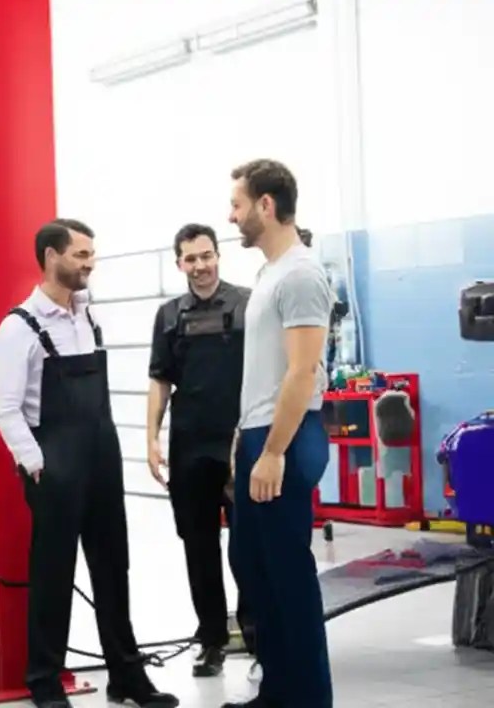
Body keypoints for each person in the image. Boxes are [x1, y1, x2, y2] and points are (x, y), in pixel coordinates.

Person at [0, 218, 179, 708]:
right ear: (51, 257)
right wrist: (35, 463)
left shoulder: (86, 318)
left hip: (101, 457)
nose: (89, 263)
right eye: (80, 254)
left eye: (91, 254)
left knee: (114, 568)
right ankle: (44, 681)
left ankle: (127, 676)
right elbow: (6, 407)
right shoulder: (19, 327)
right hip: (54, 464)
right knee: (53, 575)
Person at [222, 159, 334, 708]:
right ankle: (278, 691)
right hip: (260, 434)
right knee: (253, 565)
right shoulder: (271, 273)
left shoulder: (301, 275)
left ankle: (308, 699)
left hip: (285, 437)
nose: (231, 215)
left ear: (266, 205)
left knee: (287, 574)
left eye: (238, 204)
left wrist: (271, 451)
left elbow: (302, 372)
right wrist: (244, 437)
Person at [146, 223, 254, 678]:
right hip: (189, 447)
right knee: (199, 548)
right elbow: (160, 380)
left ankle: (258, 636)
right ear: (179, 264)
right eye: (190, 258)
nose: (200, 265)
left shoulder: (248, 304)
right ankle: (211, 641)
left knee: (250, 547)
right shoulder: (169, 315)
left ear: (218, 256)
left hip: (240, 444)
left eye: (206, 255)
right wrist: (151, 438)